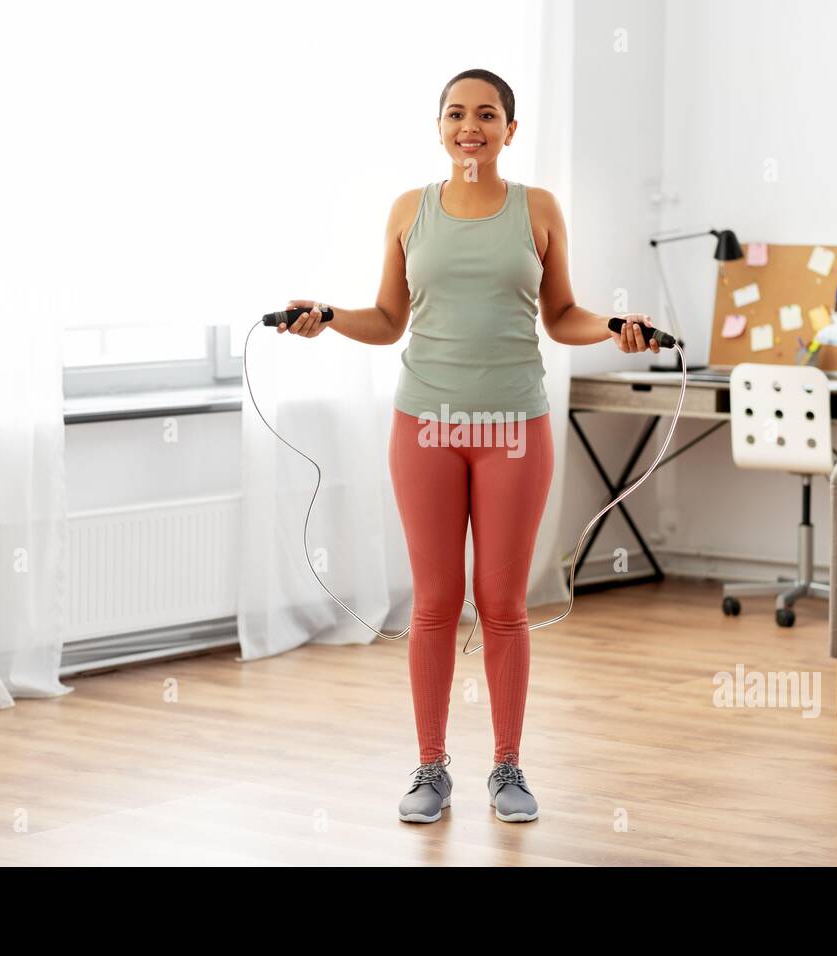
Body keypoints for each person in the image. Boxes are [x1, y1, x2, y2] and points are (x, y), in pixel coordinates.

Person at [279, 68, 660, 824]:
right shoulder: (408, 211)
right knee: (434, 604)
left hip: (513, 428)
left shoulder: (538, 210)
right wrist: (327, 315)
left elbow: (562, 317)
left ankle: (508, 768)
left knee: (503, 605)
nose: (470, 126)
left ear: (511, 131)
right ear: (440, 126)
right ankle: (429, 768)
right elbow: (389, 319)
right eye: (456, 113)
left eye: (487, 114)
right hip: (425, 424)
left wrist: (614, 330)